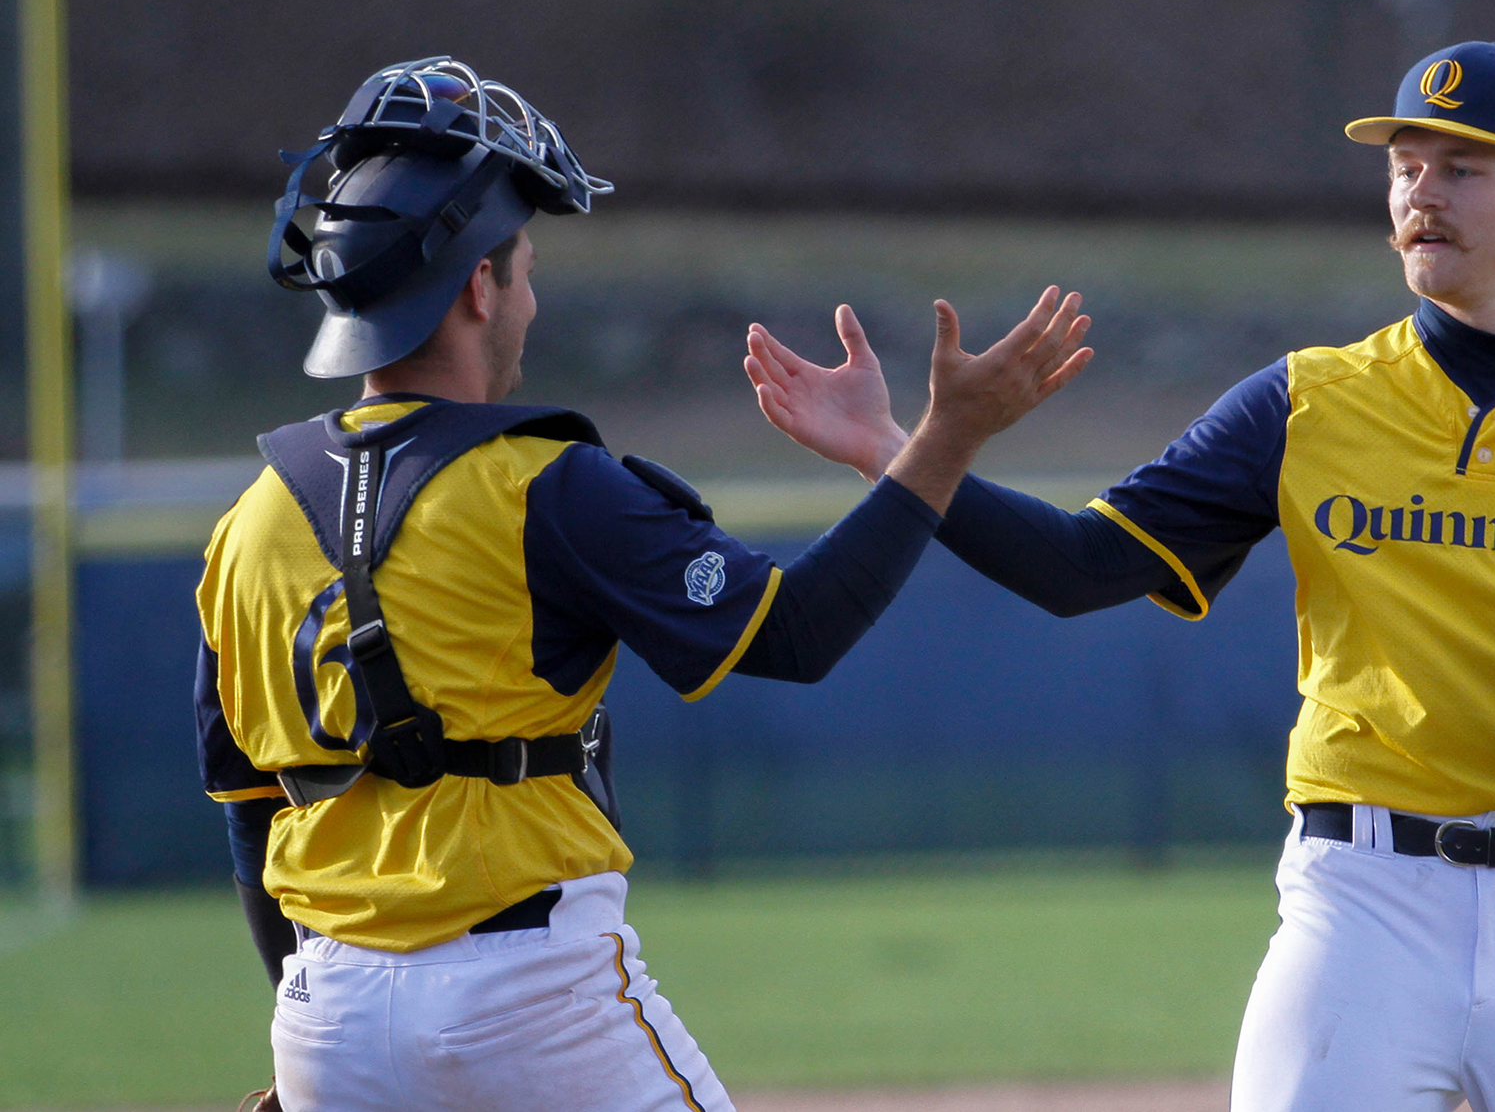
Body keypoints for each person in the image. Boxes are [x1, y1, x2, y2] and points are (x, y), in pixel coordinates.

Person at [744, 41, 1495, 1112]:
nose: (1422, 194)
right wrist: (900, 452)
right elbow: (1079, 567)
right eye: (1404, 166)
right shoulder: (1307, 401)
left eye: (1462, 168)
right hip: (1365, 904)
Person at [198, 57, 1090, 1112]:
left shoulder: (246, 524)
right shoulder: (545, 484)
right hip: (526, 1003)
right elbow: (796, 633)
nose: (528, 298)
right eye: (523, 269)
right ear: (478, 286)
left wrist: (319, 1032)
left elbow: (253, 814)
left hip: (324, 1018)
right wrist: (946, 437)